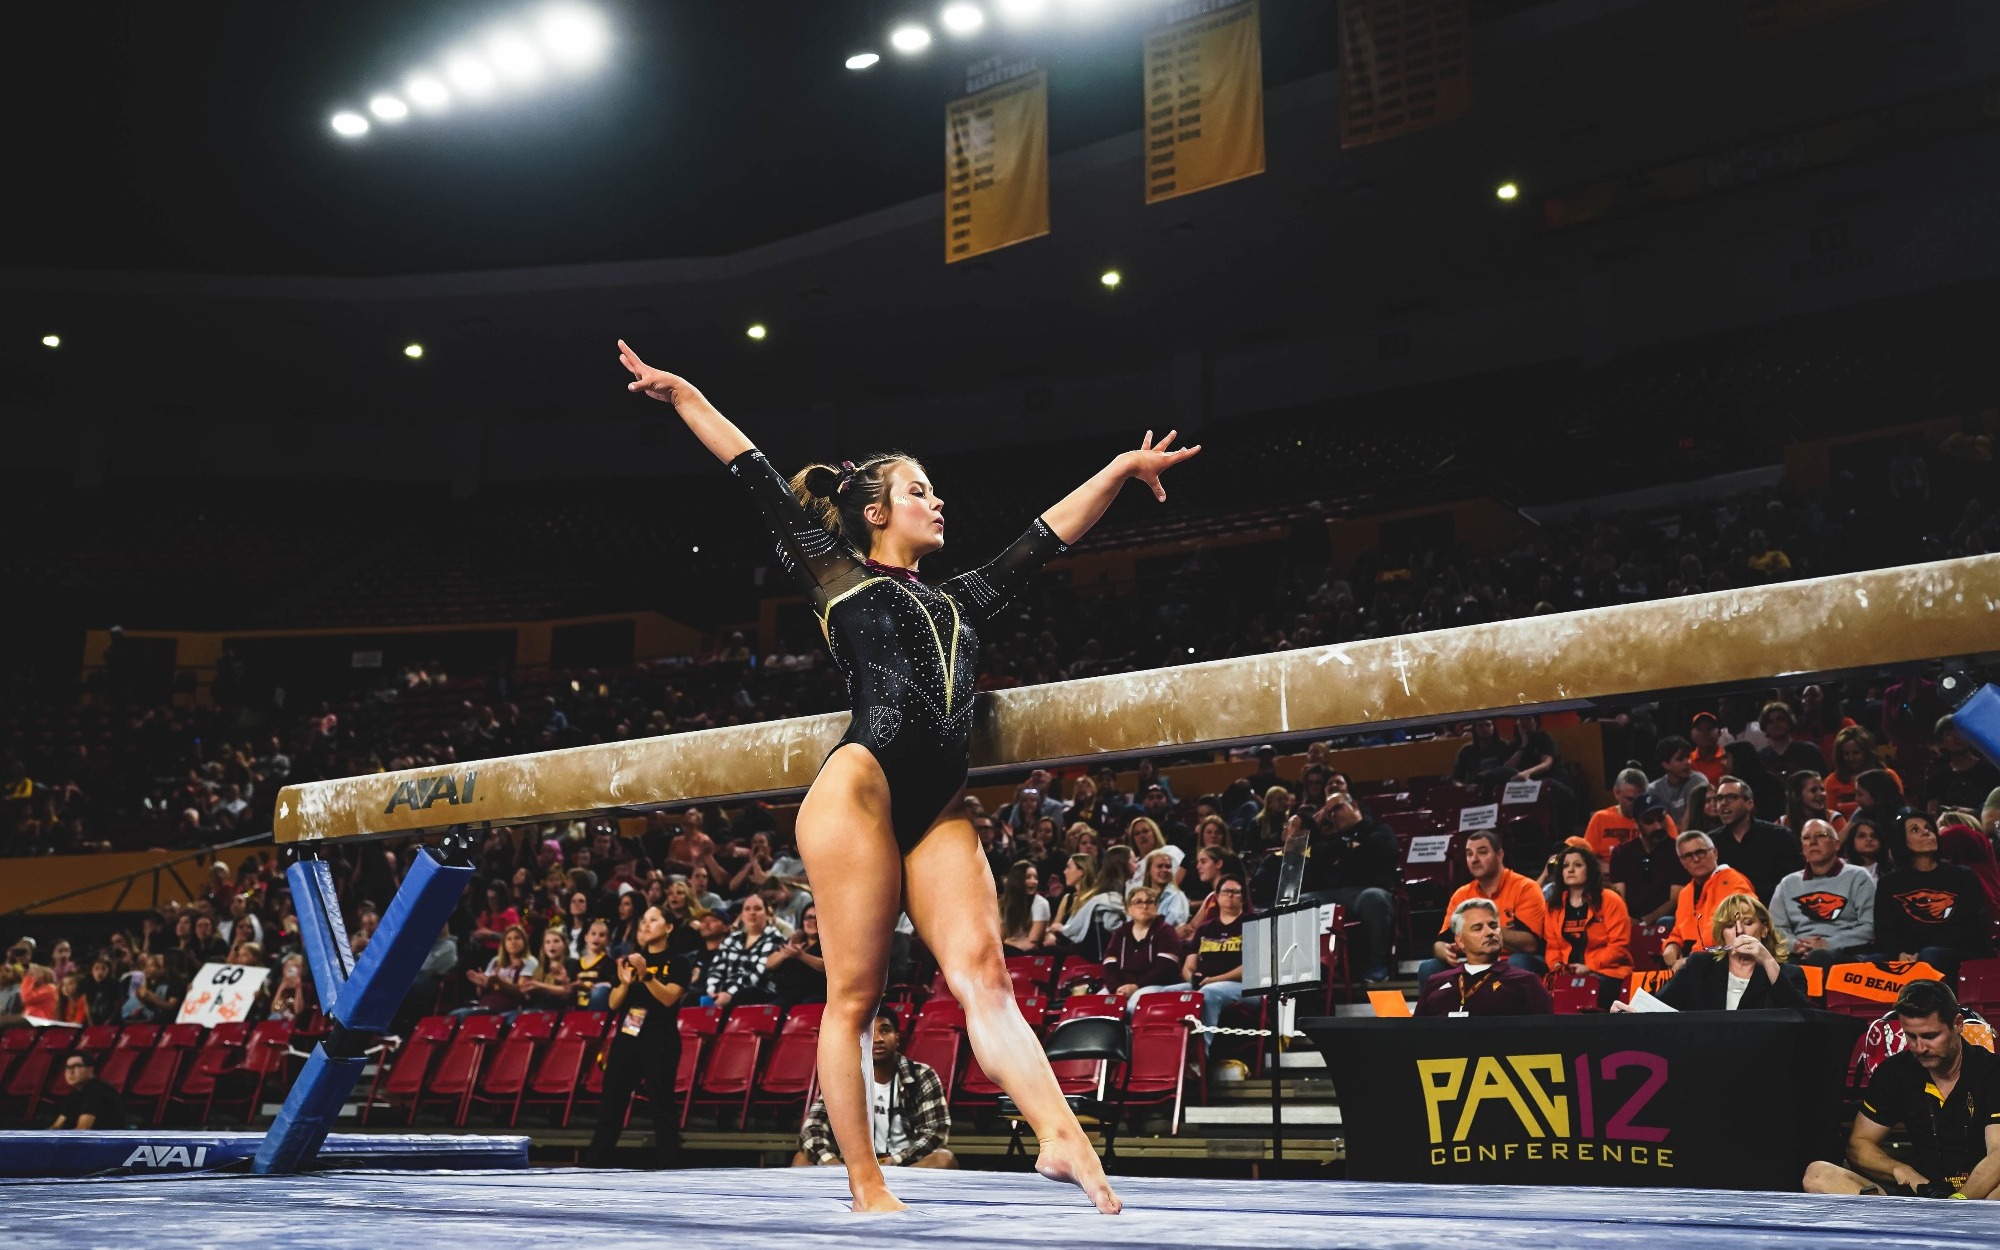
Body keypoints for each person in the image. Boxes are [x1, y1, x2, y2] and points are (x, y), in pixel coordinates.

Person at [619, 339, 1196, 1213]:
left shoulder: (963, 598)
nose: (938, 501)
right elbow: (754, 472)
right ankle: (862, 1181)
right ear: (875, 512)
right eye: (919, 490)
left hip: (936, 806)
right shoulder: (837, 578)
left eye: (934, 489)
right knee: (855, 995)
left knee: (986, 980)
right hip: (861, 789)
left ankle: (1061, 1138)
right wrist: (685, 394)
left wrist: (1118, 468)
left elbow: (1047, 535)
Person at [1803, 979, 2000, 1199]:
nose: (1920, 1048)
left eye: (1930, 1036)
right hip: (1918, 1194)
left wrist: (1959, 1202)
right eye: (1911, 1036)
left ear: (1957, 1024)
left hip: (1979, 1195)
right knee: (1817, 1174)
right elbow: (1859, 1144)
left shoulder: (1992, 1071)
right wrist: (1899, 1169)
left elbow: (1998, 1153)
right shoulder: (1895, 1071)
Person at [588, 906, 693, 1169]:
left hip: (660, 1037)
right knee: (611, 1101)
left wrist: (646, 975)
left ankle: (669, 1165)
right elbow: (613, 1004)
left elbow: (669, 998)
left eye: (653, 920)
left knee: (662, 1104)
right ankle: (595, 1164)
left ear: (668, 927)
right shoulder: (628, 961)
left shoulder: (678, 962)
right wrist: (624, 983)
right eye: (643, 921)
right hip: (628, 1034)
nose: (645, 925)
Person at [796, 1008, 955, 1171]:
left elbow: (936, 1132)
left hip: (907, 1163)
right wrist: (833, 1163)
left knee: (944, 1159)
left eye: (885, 1030)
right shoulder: (846, 1077)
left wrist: (895, 1161)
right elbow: (812, 1127)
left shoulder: (922, 1074)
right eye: (870, 1032)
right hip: (855, 1165)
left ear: (897, 1038)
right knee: (802, 1159)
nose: (878, 1039)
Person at [1625, 894, 1807, 1012]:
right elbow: (1659, 1008)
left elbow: (1801, 1018)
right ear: (1722, 934)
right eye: (1729, 926)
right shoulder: (1698, 966)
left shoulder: (1788, 974)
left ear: (1765, 929)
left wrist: (1768, 961)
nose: (1739, 931)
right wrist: (1629, 1013)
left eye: (1748, 922)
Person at [1416, 831, 1547, 988]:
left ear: (1500, 855)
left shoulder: (1526, 888)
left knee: (1518, 961)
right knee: (1429, 967)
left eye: (1482, 852)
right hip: (1473, 962)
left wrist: (1482, 930)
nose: (1474, 859)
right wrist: (1443, 951)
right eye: (1469, 854)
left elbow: (1530, 945)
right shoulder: (1461, 895)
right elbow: (1441, 942)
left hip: (1513, 961)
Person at [1874, 808, 1995, 978]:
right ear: (1902, 841)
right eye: (1915, 829)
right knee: (1866, 963)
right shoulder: (1889, 884)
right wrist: (1900, 954)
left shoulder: (1962, 876)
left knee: (1930, 956)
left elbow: (1967, 927)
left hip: (1960, 954)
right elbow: (1885, 930)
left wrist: (1920, 954)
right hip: (1910, 955)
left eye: (1929, 828)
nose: (1926, 832)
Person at [1301, 789, 1398, 983]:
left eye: (1337, 808)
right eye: (1329, 813)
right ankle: (1308, 971)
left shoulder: (1379, 829)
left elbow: (1377, 858)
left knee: (1374, 898)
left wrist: (1342, 859)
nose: (1333, 815)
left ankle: (1378, 964)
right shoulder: (1331, 840)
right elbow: (1314, 865)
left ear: (1353, 805)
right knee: (1302, 901)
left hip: (1367, 891)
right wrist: (1349, 850)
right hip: (1334, 895)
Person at [1141, 875, 1249, 1031]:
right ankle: (1170, 1045)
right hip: (1205, 984)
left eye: (1235, 892)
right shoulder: (1205, 928)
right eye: (1225, 892)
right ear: (1217, 897)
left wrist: (1213, 980)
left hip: (1242, 987)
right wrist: (1193, 980)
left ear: (1243, 898)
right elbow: (1189, 965)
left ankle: (1201, 1051)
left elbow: (1251, 968)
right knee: (1165, 993)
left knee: (1209, 992)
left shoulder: (1253, 923)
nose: (1230, 895)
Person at [1415, 901, 1555, 1017]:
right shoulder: (1435, 982)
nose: (1489, 932)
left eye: (1493, 926)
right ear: (1460, 941)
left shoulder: (1525, 982)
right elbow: (1416, 1035)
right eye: (1477, 928)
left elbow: (1548, 1034)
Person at [1769, 819, 1877, 965]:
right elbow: (1775, 929)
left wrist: (1827, 944)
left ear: (1836, 844)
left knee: (1819, 957)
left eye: (1821, 835)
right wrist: (1795, 945)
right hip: (1797, 954)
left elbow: (1869, 926)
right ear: (1803, 847)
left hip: (1846, 954)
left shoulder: (1858, 877)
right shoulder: (1787, 883)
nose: (1813, 842)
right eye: (1807, 838)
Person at [1538, 845, 1631, 1008]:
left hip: (1607, 972)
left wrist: (1589, 967)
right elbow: (1552, 947)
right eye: (1566, 866)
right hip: (1567, 974)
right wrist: (1558, 966)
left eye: (1578, 865)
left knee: (1590, 988)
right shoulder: (1554, 905)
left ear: (1590, 870)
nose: (1570, 870)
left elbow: (1619, 946)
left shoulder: (1610, 900)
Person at [1660, 831, 1757, 971]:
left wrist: (1693, 959)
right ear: (1682, 862)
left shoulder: (1732, 882)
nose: (1695, 859)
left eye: (1700, 852)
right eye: (1688, 856)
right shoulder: (1685, 893)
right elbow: (1678, 931)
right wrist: (1671, 945)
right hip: (1693, 962)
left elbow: (1728, 931)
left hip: (1725, 960)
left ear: (1715, 853)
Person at [1707, 775, 1803, 903]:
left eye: (1731, 797)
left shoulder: (1779, 837)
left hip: (1773, 909)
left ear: (1749, 804)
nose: (1723, 803)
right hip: (1726, 914)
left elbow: (1795, 880)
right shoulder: (1710, 843)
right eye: (1719, 798)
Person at [1607, 797, 1687, 924]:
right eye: (1649, 821)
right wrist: (1627, 920)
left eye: (1661, 819)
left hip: (1667, 921)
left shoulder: (1678, 850)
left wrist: (1643, 922)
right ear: (1635, 823)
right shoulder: (1621, 853)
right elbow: (1618, 896)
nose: (1658, 826)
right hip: (1629, 919)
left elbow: (1675, 899)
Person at [1101, 888, 1183, 1005]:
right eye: (1139, 902)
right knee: (1099, 1002)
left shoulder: (1166, 931)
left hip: (1156, 985)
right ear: (1129, 909)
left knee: (1134, 1004)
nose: (1144, 906)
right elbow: (1109, 964)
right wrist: (1117, 987)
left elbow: (1164, 969)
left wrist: (1136, 986)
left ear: (1156, 907)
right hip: (1122, 986)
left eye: (1150, 902)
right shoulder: (1121, 932)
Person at [706, 893, 786, 1008]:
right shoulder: (732, 939)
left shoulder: (775, 938)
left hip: (759, 992)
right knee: (692, 998)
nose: (752, 913)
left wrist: (730, 993)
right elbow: (716, 967)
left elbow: (757, 975)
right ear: (742, 916)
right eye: (747, 909)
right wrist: (712, 991)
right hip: (726, 991)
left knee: (743, 995)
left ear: (768, 914)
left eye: (757, 909)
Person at [1583, 768, 1673, 866]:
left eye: (1640, 798)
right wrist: (1603, 867)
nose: (1636, 805)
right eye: (1630, 799)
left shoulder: (1661, 820)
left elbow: (1675, 854)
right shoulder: (1600, 818)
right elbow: (1586, 856)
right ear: (1617, 793)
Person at [459, 923, 537, 1019]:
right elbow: (480, 994)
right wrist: (480, 985)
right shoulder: (495, 960)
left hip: (507, 1008)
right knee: (454, 1015)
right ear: (504, 943)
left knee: (463, 1016)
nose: (513, 942)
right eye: (509, 939)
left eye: (517, 938)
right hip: (485, 1005)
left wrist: (498, 982)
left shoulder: (530, 961)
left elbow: (521, 992)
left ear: (525, 941)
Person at [1646, 735, 1710, 833]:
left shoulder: (1698, 781)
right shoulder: (1653, 790)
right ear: (1665, 764)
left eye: (1688, 757)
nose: (1688, 762)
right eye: (1680, 759)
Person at [768, 904, 828, 1008]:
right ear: (802, 921)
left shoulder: (830, 944)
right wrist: (785, 953)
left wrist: (801, 956)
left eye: (818, 917)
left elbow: (829, 967)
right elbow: (769, 964)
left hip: (814, 994)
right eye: (809, 917)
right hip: (786, 994)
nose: (813, 921)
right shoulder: (796, 940)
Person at [47, 1054, 128, 1130]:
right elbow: (56, 1126)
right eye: (68, 1067)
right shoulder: (75, 1092)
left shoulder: (94, 1089)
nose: (71, 1071)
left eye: (77, 1066)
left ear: (90, 1069)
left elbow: (82, 1131)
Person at [999, 861, 1052, 954]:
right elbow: (1000, 937)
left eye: (1035, 877)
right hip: (1009, 949)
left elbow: (1033, 940)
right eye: (1028, 877)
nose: (1033, 881)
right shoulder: (1003, 904)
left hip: (1031, 953)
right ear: (1016, 881)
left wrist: (1008, 942)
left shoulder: (1041, 903)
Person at [1136, 850, 1191, 929]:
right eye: (1159, 866)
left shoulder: (1176, 896)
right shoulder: (1138, 897)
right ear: (1149, 870)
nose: (1164, 870)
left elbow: (1170, 924)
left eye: (1168, 866)